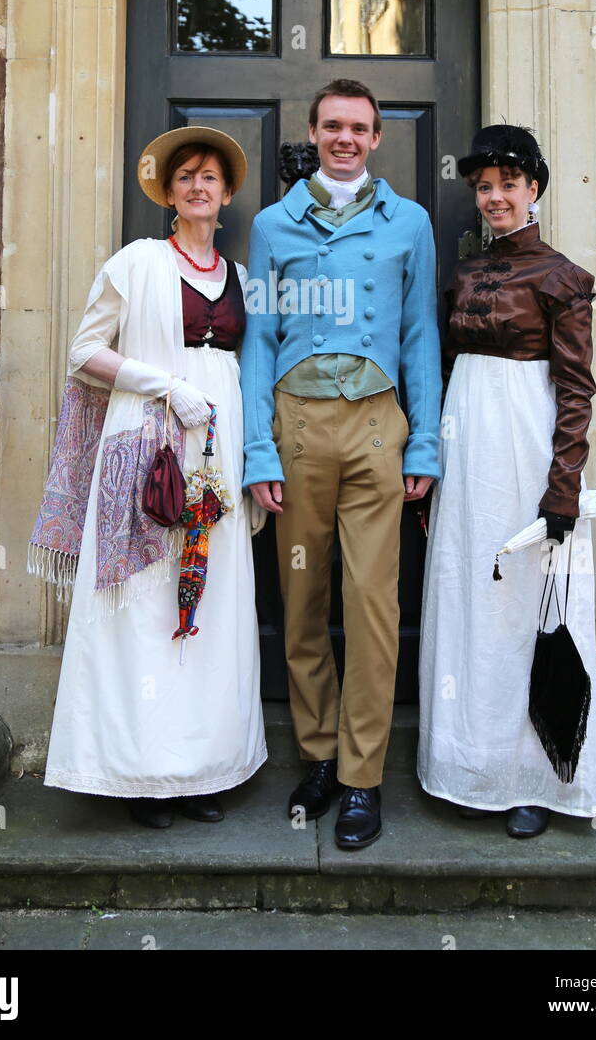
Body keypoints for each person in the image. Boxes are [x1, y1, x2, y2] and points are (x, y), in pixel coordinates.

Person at [29, 127, 267, 829]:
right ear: (167, 193)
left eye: (211, 179)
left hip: (215, 455)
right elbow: (85, 351)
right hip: (146, 454)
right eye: (186, 176)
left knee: (208, 604)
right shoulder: (135, 264)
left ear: (226, 195)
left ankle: (200, 771)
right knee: (142, 604)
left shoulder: (239, 278)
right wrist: (162, 384)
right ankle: (140, 775)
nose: (199, 187)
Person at [241, 78, 442, 850]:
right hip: (295, 429)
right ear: (315, 132)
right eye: (333, 126)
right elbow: (258, 339)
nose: (345, 139)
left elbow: (422, 334)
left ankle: (363, 778)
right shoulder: (271, 226)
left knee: (373, 604)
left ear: (377, 137)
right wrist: (261, 447)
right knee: (300, 602)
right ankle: (317, 755)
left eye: (359, 127)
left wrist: (423, 441)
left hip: (376, 430)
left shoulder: (411, 223)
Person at [417, 125, 596, 838]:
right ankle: (465, 763)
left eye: (509, 184)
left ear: (534, 190)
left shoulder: (563, 277)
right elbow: (445, 374)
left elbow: (577, 390)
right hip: (468, 459)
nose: (495, 197)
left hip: (526, 454)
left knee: (525, 604)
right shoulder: (464, 276)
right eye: (485, 186)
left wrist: (562, 488)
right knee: (470, 596)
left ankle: (533, 779)